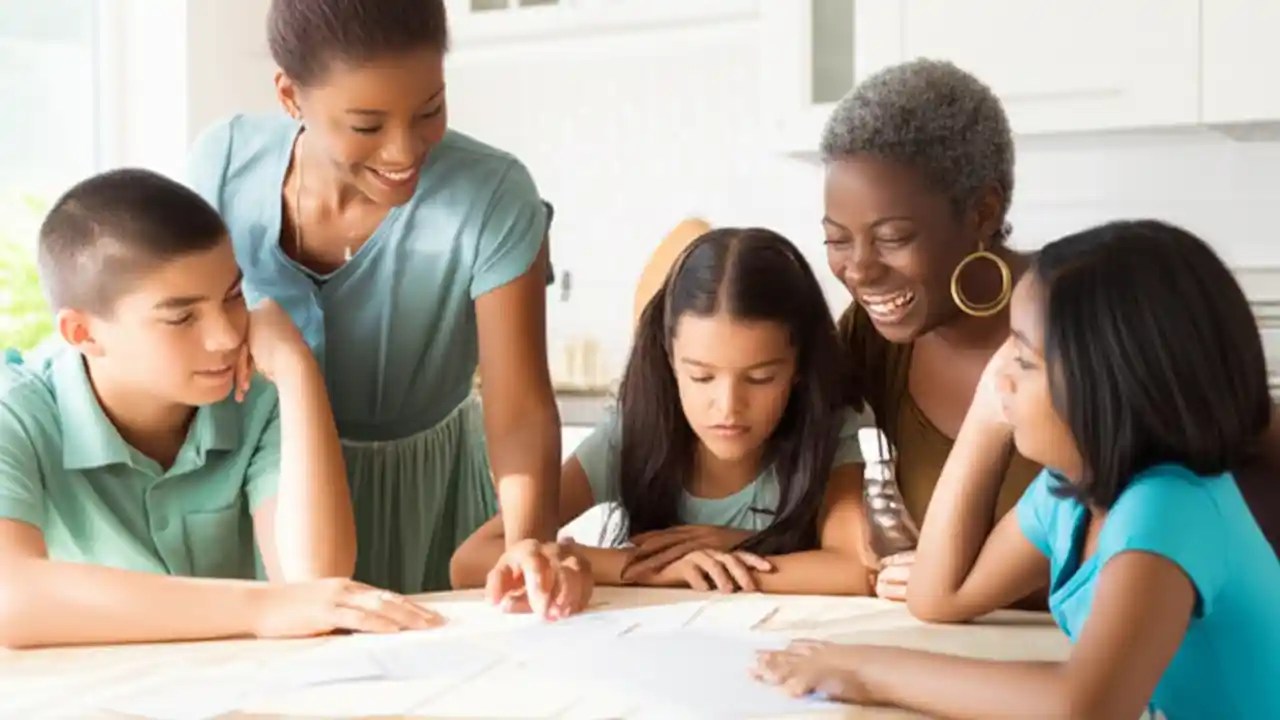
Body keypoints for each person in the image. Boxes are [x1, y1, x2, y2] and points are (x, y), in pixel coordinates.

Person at [754, 220, 1280, 719]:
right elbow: (940, 595)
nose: (998, 376)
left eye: (1022, 360)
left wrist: (863, 669)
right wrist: (987, 417)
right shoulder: (1067, 495)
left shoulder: (1169, 506)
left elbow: (1083, 706)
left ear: (1109, 385)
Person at [186, 0, 577, 598]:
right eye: (367, 125)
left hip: (428, 499)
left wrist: (526, 543)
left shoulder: (494, 197)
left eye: (430, 110)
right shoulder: (224, 164)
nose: (404, 151)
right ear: (290, 96)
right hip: (269, 498)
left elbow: (519, 407)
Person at [0, 169, 438, 648]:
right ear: (83, 334)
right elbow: (11, 598)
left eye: (232, 297)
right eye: (182, 318)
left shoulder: (257, 389)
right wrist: (263, 608)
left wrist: (296, 369)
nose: (226, 337)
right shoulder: (16, 412)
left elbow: (312, 578)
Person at [454, 228, 874, 601]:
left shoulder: (830, 428)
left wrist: (741, 551)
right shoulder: (633, 434)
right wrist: (647, 570)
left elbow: (855, 568)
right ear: (670, 360)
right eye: (701, 377)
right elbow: (472, 560)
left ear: (799, 366)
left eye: (761, 378)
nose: (728, 406)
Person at [819, 58, 1041, 601]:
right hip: (951, 651)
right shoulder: (868, 339)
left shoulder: (1081, 318)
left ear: (982, 211)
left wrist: (953, 582)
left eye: (892, 237)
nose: (861, 269)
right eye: (837, 240)